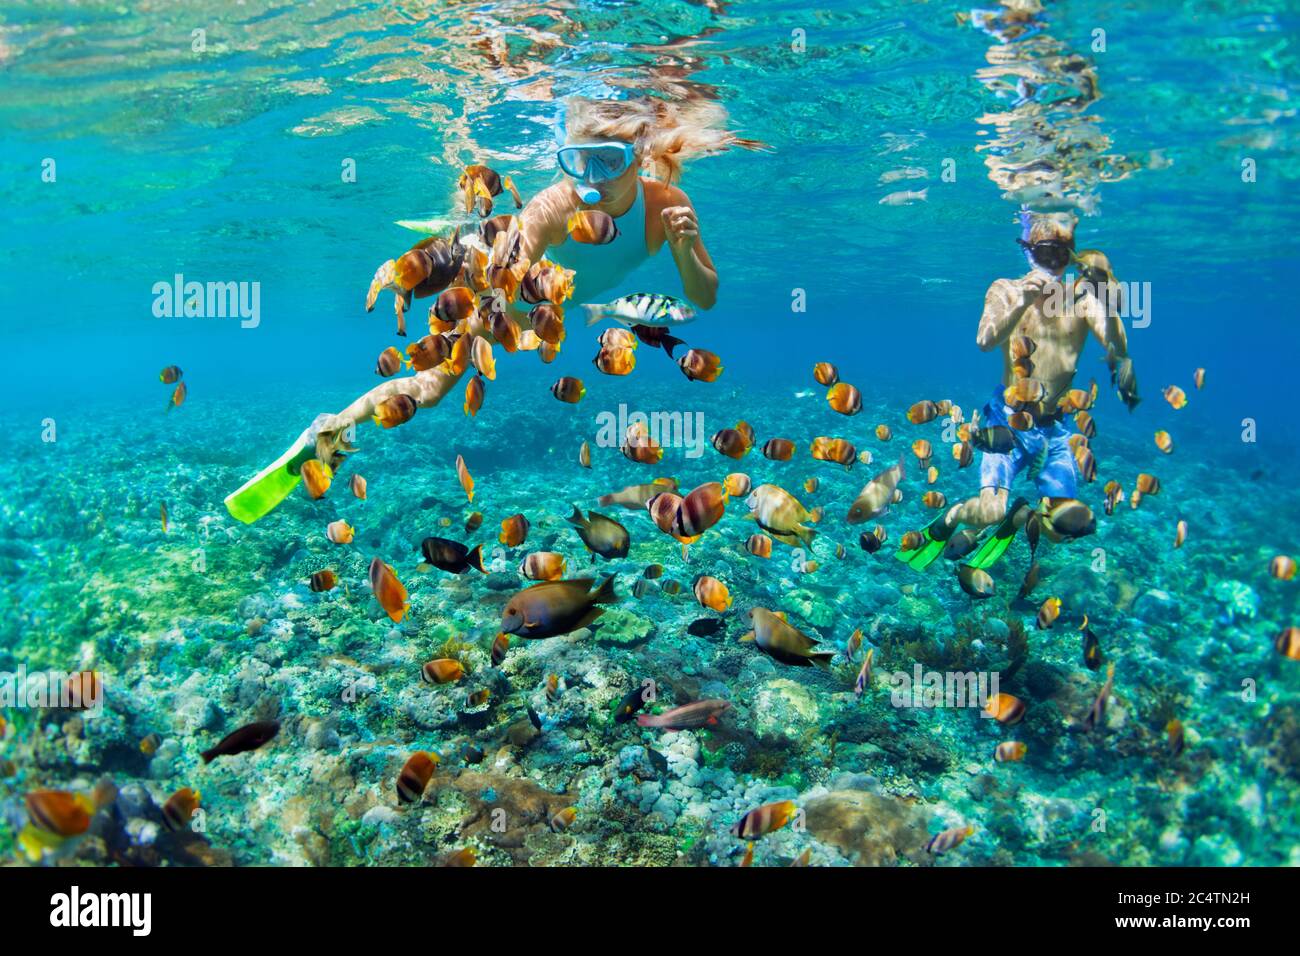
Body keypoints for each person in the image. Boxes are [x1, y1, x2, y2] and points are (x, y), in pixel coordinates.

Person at [224, 96, 762, 524]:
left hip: (549, 309)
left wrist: (686, 248)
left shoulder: (669, 205)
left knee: (439, 387)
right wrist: (490, 319)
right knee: (432, 389)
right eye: (579, 161)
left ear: (641, 157)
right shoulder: (554, 203)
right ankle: (331, 427)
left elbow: (704, 297)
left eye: (610, 161)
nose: (593, 177)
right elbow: (510, 267)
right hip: (497, 286)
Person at [898, 211, 1136, 571]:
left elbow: (1117, 349)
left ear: (1072, 258)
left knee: (1060, 529)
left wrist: (1109, 298)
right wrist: (1022, 301)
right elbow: (984, 341)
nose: (1054, 265)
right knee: (989, 511)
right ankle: (953, 518)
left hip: (1055, 427)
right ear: (1028, 251)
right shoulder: (1004, 289)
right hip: (1008, 421)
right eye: (1045, 253)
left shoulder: (1084, 300)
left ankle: (1019, 515)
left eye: (1063, 254)